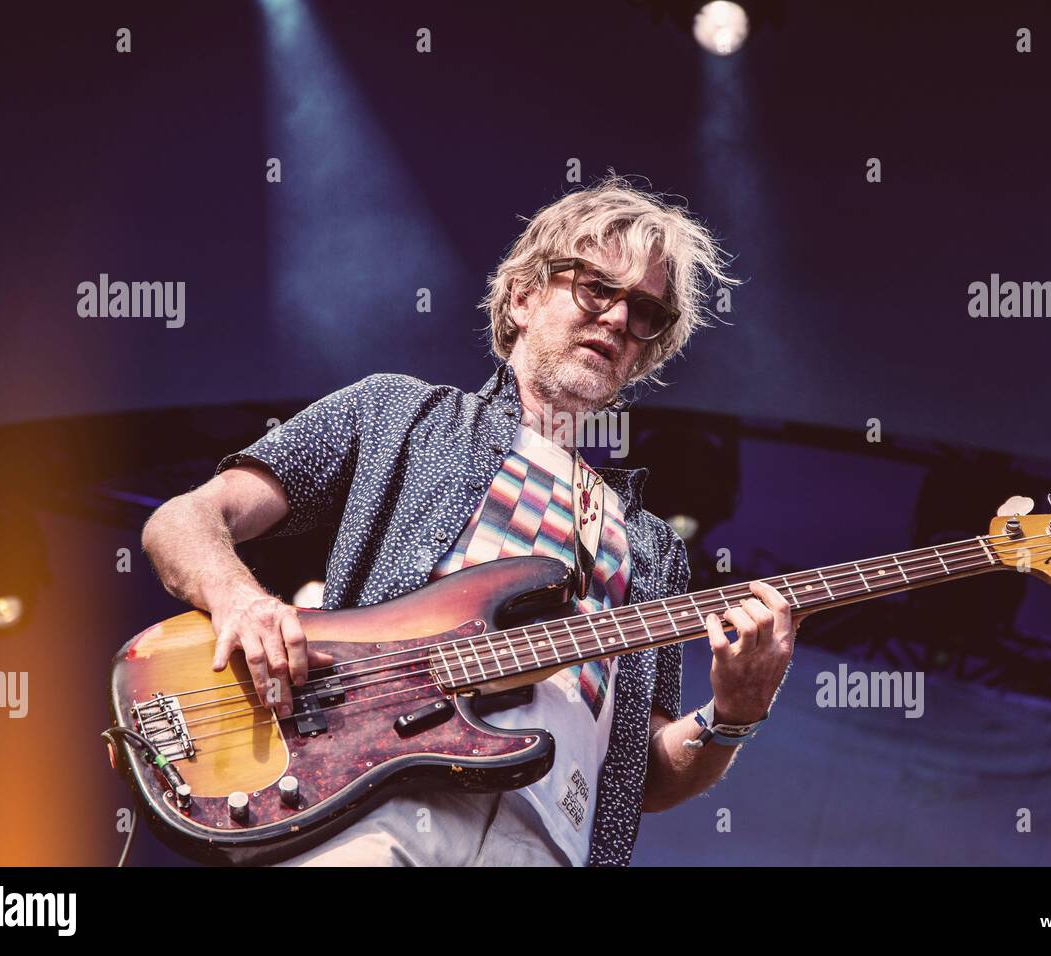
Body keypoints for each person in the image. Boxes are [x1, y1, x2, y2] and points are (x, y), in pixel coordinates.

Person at [141, 175, 800, 866]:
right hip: (374, 810)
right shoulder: (397, 413)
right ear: (521, 296)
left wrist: (734, 716)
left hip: (551, 846)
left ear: (646, 350)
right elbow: (184, 521)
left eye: (644, 311)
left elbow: (645, 773)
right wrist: (241, 600)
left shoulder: (651, 546)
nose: (614, 319)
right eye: (595, 287)